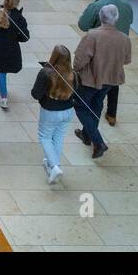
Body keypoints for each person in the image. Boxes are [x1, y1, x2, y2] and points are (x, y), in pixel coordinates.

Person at [72, 3, 131, 159]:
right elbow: (126, 60)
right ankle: (87, 135)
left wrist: (77, 70)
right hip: (111, 79)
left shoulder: (93, 36)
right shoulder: (124, 38)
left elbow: (79, 61)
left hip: (91, 80)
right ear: (116, 18)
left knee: (80, 106)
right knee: (97, 104)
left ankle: (97, 141)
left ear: (100, 17)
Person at [77, 0, 134, 126]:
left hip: (100, 51)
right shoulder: (127, 5)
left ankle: (90, 128)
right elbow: (130, 22)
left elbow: (83, 25)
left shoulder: (97, 6)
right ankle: (111, 114)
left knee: (93, 92)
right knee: (113, 81)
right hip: (119, 50)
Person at [31, 45, 77, 183]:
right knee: (59, 136)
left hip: (50, 111)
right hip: (68, 111)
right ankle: (53, 165)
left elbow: (35, 94)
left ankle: (55, 166)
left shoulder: (46, 73)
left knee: (45, 137)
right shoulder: (74, 74)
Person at [0, 0, 30, 108]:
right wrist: (15, 39)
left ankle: (2, 94)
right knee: (3, 72)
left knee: (0, 70)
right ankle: (4, 97)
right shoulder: (19, 18)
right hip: (11, 48)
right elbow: (25, 37)